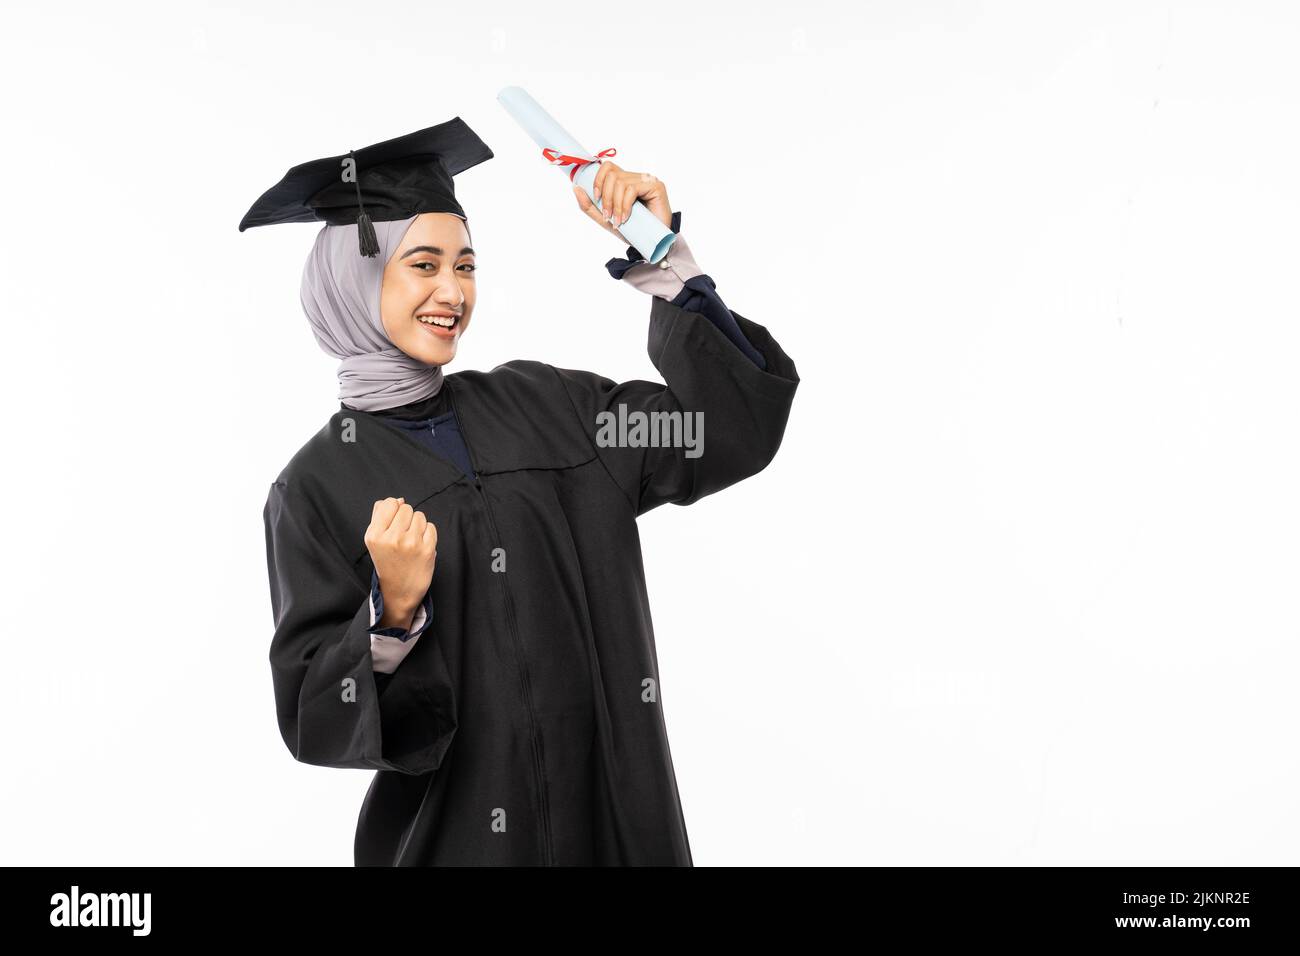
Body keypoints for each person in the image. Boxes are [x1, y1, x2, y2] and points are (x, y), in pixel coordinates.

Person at [243, 117, 800, 865]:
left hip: (617, 836)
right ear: (354, 278)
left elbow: (721, 431)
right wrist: (391, 614)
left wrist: (663, 261)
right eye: (425, 265)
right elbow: (314, 717)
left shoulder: (554, 411)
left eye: (466, 266)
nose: (452, 291)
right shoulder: (315, 488)